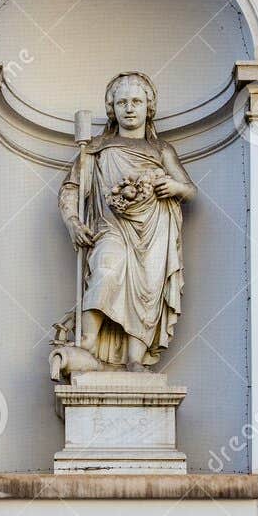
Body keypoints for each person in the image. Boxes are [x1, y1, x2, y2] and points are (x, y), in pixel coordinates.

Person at [58, 72, 195, 372]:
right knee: (106, 270)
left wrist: (175, 188)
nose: (129, 108)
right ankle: (88, 342)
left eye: (136, 101)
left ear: (149, 107)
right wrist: (72, 221)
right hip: (111, 227)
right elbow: (72, 189)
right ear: (112, 108)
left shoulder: (162, 151)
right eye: (122, 102)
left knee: (148, 289)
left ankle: (136, 359)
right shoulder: (95, 148)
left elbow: (189, 189)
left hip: (155, 228)